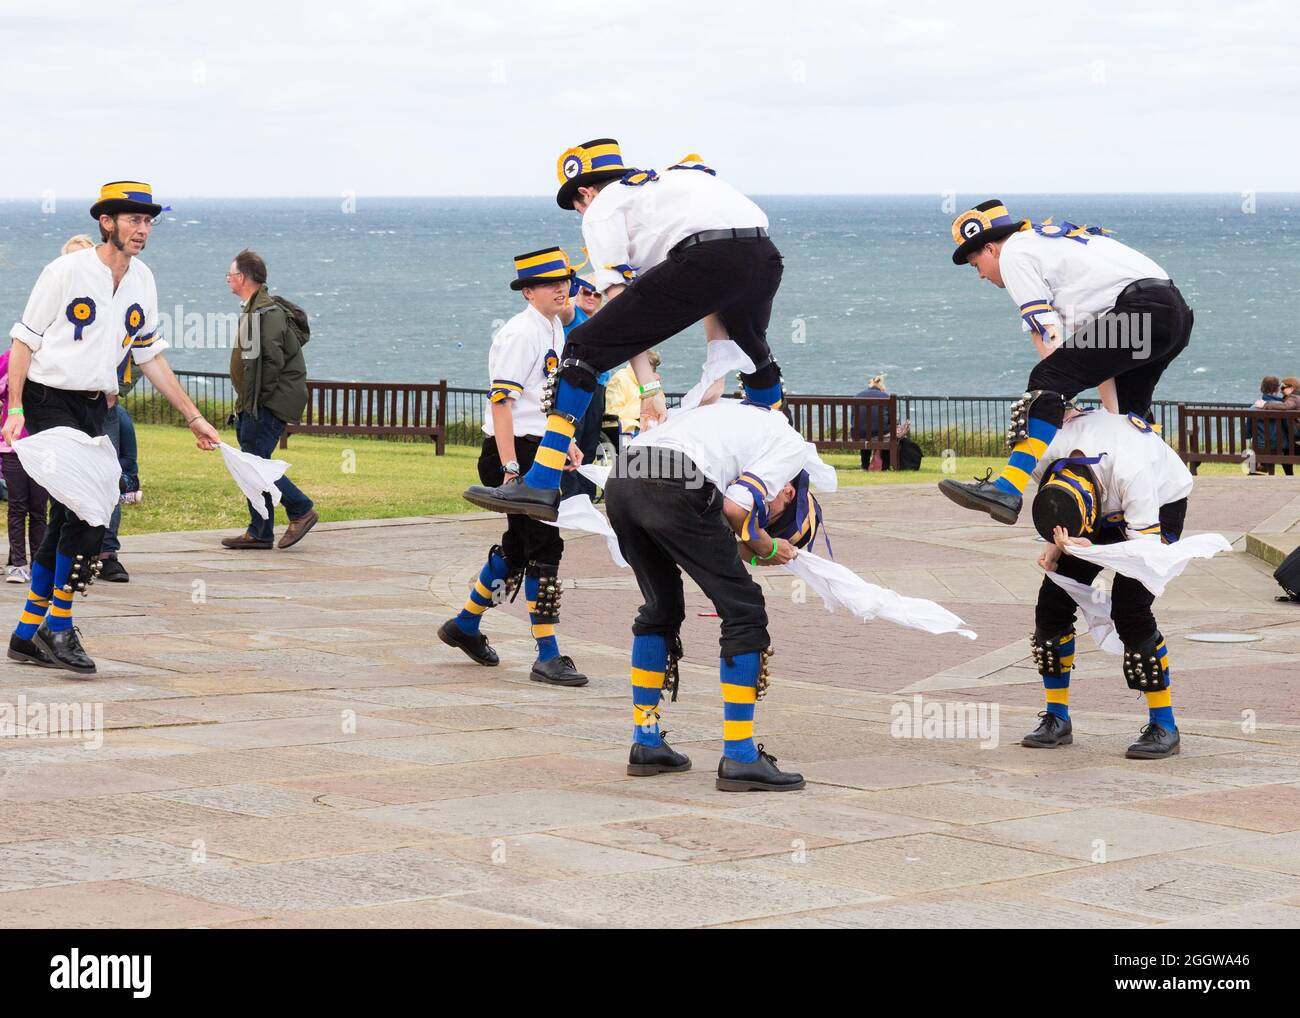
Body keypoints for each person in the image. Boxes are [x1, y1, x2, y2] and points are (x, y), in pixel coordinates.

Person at [464, 140, 787, 522]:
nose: (581, 215)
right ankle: (781, 467)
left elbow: (621, 306)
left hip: (708, 259)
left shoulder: (601, 208)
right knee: (755, 353)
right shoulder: (665, 188)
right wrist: (715, 375)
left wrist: (648, 388)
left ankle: (542, 480)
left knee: (581, 348)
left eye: (577, 207)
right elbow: (717, 289)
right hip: (762, 253)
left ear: (585, 192)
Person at [4, 181, 220, 674]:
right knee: (89, 511)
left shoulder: (143, 279)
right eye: (133, 220)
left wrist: (194, 416)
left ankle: (26, 634)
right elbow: (23, 341)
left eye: (147, 221)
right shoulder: (64, 271)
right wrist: (15, 408)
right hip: (46, 400)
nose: (142, 229)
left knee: (68, 516)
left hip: (95, 408)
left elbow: (149, 356)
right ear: (108, 222)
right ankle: (58, 626)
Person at [604, 399, 831, 791]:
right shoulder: (791, 446)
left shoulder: (731, 417)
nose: (765, 515)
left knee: (660, 606)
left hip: (624, 477)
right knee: (744, 609)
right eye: (772, 515)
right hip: (676, 481)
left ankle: (645, 740)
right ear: (790, 491)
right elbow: (733, 507)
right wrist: (766, 546)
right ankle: (741, 755)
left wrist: (752, 540)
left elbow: (724, 522)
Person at [938, 199, 1193, 525]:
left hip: (1142, 311)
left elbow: (1044, 331)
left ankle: (1008, 488)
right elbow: (1099, 361)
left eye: (976, 265)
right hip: (1171, 314)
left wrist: (1058, 396)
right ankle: (1160, 507)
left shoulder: (1015, 252)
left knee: (1046, 377)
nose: (980, 276)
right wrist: (1105, 412)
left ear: (991, 249)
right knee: (1129, 417)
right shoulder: (1052, 248)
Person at [437, 247, 587, 686]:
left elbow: (543, 400)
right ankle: (548, 654)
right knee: (545, 548)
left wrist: (567, 444)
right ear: (527, 292)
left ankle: (464, 624)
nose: (562, 288)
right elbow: (502, 403)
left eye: (564, 280)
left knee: (521, 550)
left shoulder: (554, 330)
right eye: (549, 283)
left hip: (540, 449)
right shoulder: (522, 334)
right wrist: (508, 469)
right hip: (515, 454)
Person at [1026, 408, 1194, 759]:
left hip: (1159, 507)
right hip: (1085, 506)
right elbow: (1055, 507)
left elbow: (1142, 553)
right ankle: (1057, 719)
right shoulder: (1045, 454)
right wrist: (1055, 544)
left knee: (1130, 607)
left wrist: (1100, 548)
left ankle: (1165, 725)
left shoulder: (1134, 473)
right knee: (1051, 606)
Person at [221, 250, 317, 550]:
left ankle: (300, 509)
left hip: (264, 406)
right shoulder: (255, 309)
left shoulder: (266, 313)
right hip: (255, 404)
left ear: (243, 278)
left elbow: (270, 363)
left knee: (255, 465)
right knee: (254, 463)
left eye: (231, 273)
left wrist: (255, 404)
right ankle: (260, 530)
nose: (227, 278)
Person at [0, 347, 47, 585]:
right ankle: (18, 564)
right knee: (18, 506)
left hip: (44, 447)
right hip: (13, 446)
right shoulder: (8, 359)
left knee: (39, 509)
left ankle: (39, 563)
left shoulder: (51, 359)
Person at [560, 277, 608, 500]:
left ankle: (586, 494)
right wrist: (571, 284)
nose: (591, 297)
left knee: (589, 440)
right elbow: (563, 307)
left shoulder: (603, 319)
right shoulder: (572, 314)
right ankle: (571, 493)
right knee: (572, 437)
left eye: (596, 294)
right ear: (578, 294)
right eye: (586, 292)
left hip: (597, 385)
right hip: (574, 383)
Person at [604, 350, 662, 438]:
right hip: (627, 426)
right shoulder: (621, 378)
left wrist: (654, 386)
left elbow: (659, 406)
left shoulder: (650, 382)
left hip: (648, 424)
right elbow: (614, 411)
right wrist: (642, 410)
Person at [852, 372, 893, 470]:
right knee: (886, 435)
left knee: (864, 432)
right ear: (881, 386)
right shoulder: (886, 397)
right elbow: (890, 421)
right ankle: (885, 467)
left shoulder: (858, 396)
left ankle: (864, 466)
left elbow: (853, 419)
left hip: (859, 435)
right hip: (879, 434)